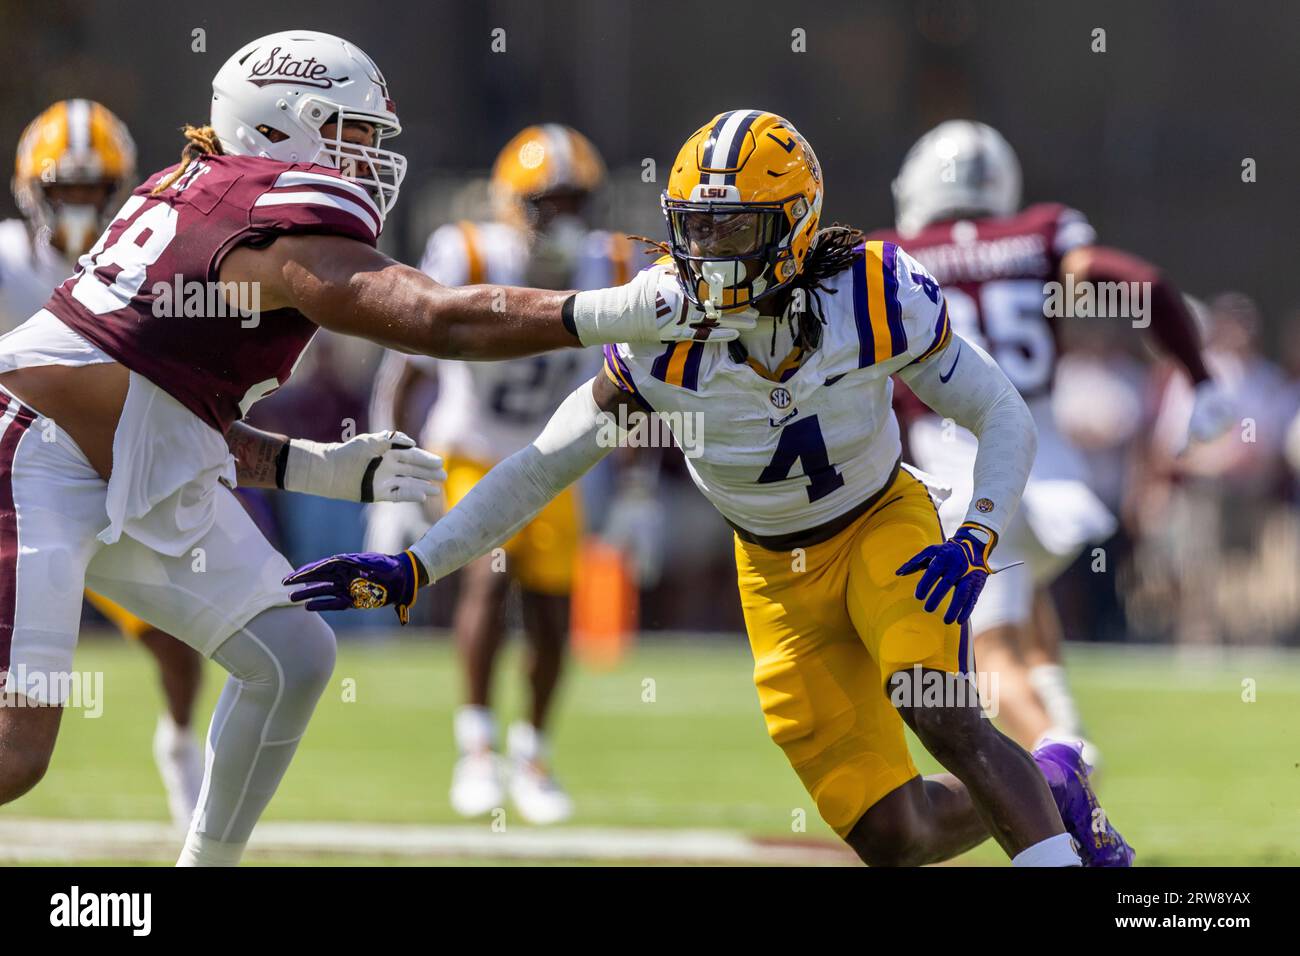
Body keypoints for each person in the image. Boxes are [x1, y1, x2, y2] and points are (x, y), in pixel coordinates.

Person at [287, 109, 1135, 866]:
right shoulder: (658, 326)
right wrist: (419, 565)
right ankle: (1055, 782)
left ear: (795, 226)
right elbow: (543, 464)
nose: (708, 253)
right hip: (773, 577)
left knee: (939, 709)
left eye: (734, 229)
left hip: (882, 523)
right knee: (894, 834)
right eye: (697, 227)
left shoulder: (871, 290)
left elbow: (1001, 412)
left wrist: (977, 532)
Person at [0, 30, 744, 868]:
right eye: (352, 134)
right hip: (34, 462)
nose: (369, 160)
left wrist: (308, 467)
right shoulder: (274, 220)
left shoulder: (201, 194)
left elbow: (164, 411)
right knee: (17, 756)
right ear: (281, 125)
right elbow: (437, 319)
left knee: (292, 656)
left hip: (112, 464)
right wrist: (615, 310)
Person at [871, 120, 1232, 761]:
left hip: (959, 464)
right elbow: (1142, 283)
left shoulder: (887, 258)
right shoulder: (1040, 233)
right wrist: (1200, 379)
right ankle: (1064, 717)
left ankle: (1056, 746)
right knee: (1025, 582)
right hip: (1047, 464)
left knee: (989, 646)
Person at [367, 124, 633, 824]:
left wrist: (635, 490)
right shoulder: (470, 251)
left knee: (552, 611)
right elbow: (406, 367)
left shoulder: (609, 264)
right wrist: (384, 468)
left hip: (553, 459)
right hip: (470, 447)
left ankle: (533, 752)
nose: (567, 219)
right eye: (552, 202)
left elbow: (636, 379)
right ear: (516, 204)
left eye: (578, 202)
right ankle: (476, 745)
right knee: (490, 570)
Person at [2, 99, 205, 825]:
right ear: (34, 193)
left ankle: (181, 746)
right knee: (18, 723)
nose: (81, 209)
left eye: (94, 193)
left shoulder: (145, 262)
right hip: (17, 487)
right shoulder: (3, 260)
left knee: (183, 642)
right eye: (67, 192)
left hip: (114, 483)